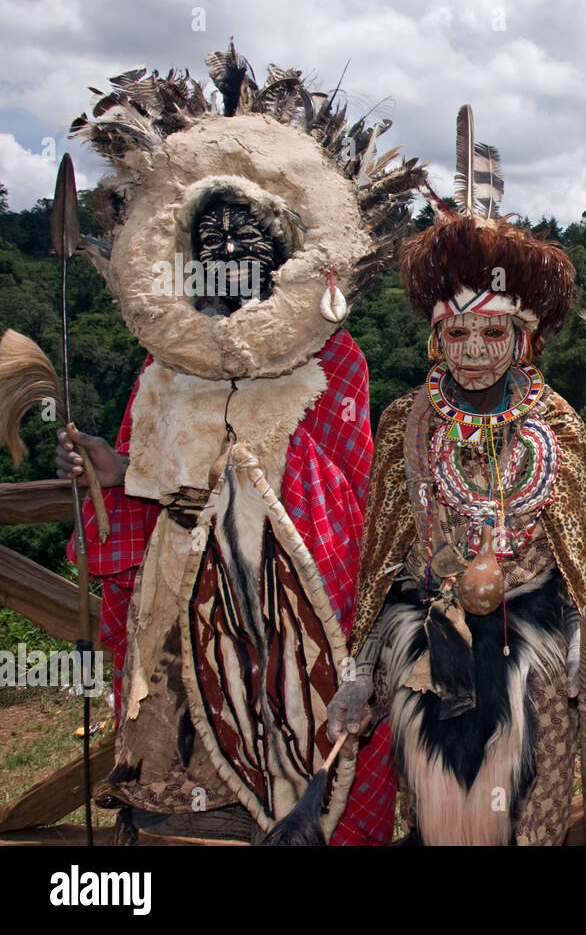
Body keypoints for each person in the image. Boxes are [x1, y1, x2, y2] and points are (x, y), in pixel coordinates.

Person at [56, 45, 423, 843]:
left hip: (285, 599)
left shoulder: (335, 360)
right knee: (187, 744)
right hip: (180, 590)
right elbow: (137, 479)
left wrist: (220, 481)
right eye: (211, 241)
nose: (228, 256)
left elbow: (345, 496)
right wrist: (108, 473)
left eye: (245, 241)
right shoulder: (163, 368)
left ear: (280, 251)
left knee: (293, 752)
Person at [327, 108, 586, 845]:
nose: (475, 349)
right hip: (432, 662)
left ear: (527, 338)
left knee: (533, 821)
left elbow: (581, 564)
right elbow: (382, 553)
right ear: (435, 336)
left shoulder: (561, 425)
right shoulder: (406, 423)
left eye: (495, 332)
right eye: (459, 331)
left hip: (535, 669)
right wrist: (360, 668)